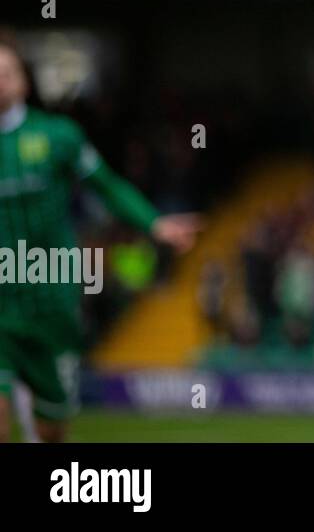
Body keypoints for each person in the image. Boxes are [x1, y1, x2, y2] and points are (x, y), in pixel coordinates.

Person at [0, 37, 199, 442]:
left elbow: (106, 185)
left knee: (52, 427)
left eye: (5, 74)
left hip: (49, 295)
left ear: (22, 82)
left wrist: (153, 223)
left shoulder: (58, 136)